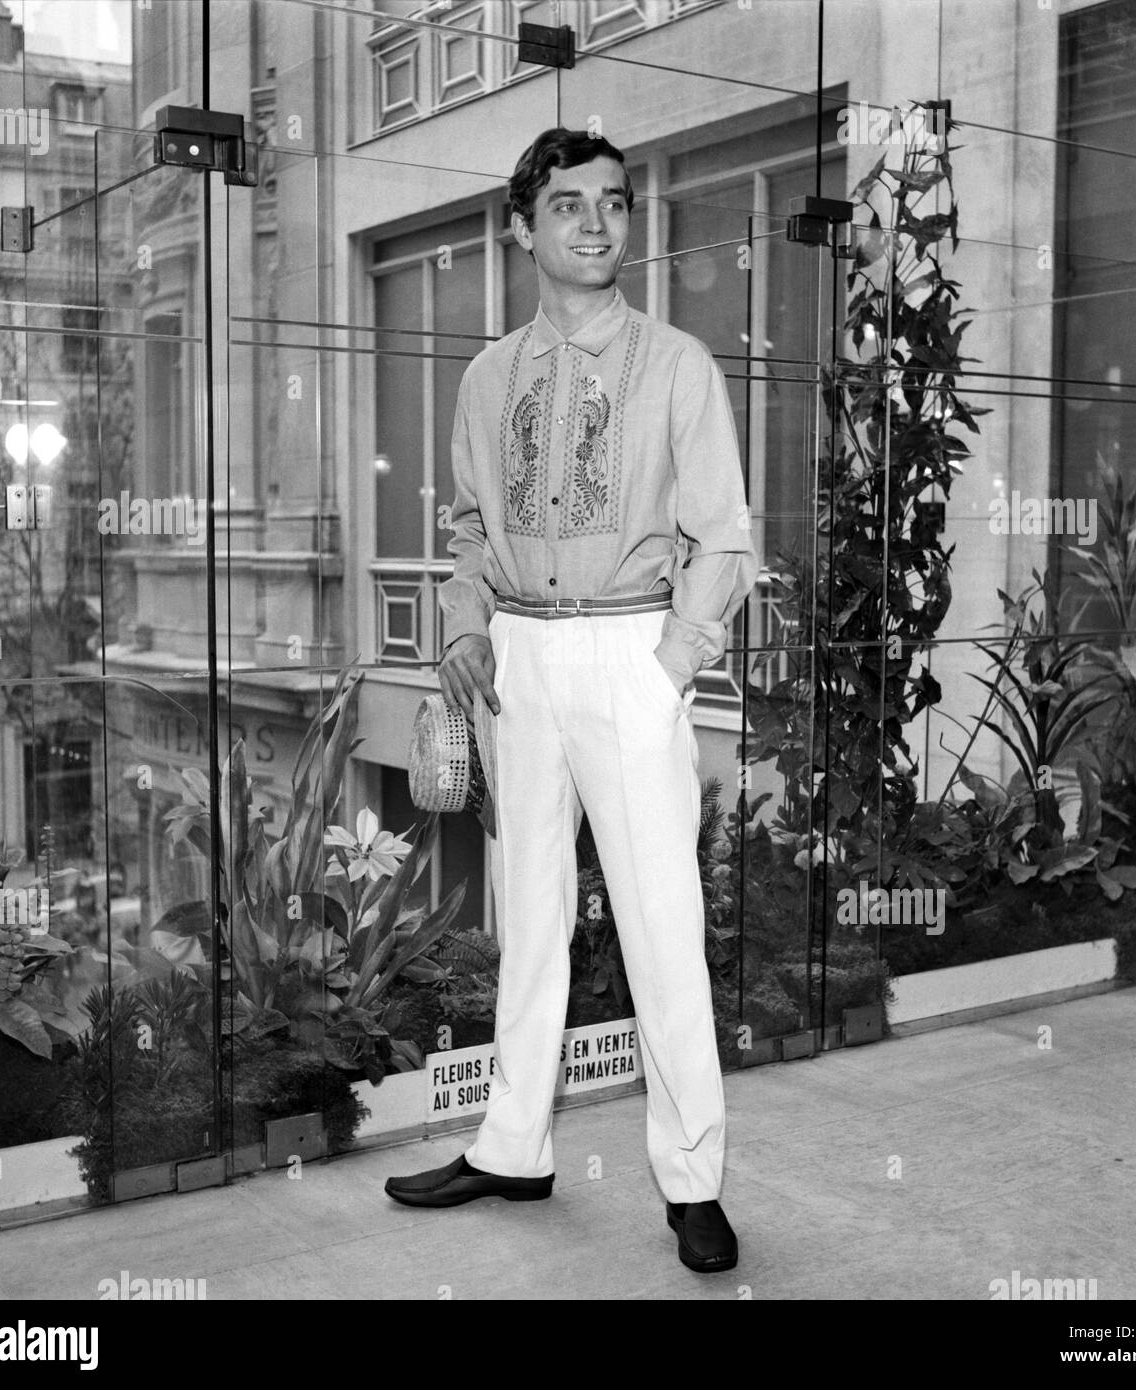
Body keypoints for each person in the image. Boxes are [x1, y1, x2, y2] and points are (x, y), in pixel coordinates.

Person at [384, 127, 759, 1275]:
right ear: (521, 228)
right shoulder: (488, 376)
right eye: (566, 205)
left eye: (611, 203)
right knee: (531, 911)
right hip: (517, 664)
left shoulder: (677, 366)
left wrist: (665, 667)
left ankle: (690, 1178)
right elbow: (461, 529)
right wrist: (462, 629)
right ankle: (512, 1143)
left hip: (626, 654)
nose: (595, 223)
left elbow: (725, 539)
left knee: (659, 927)